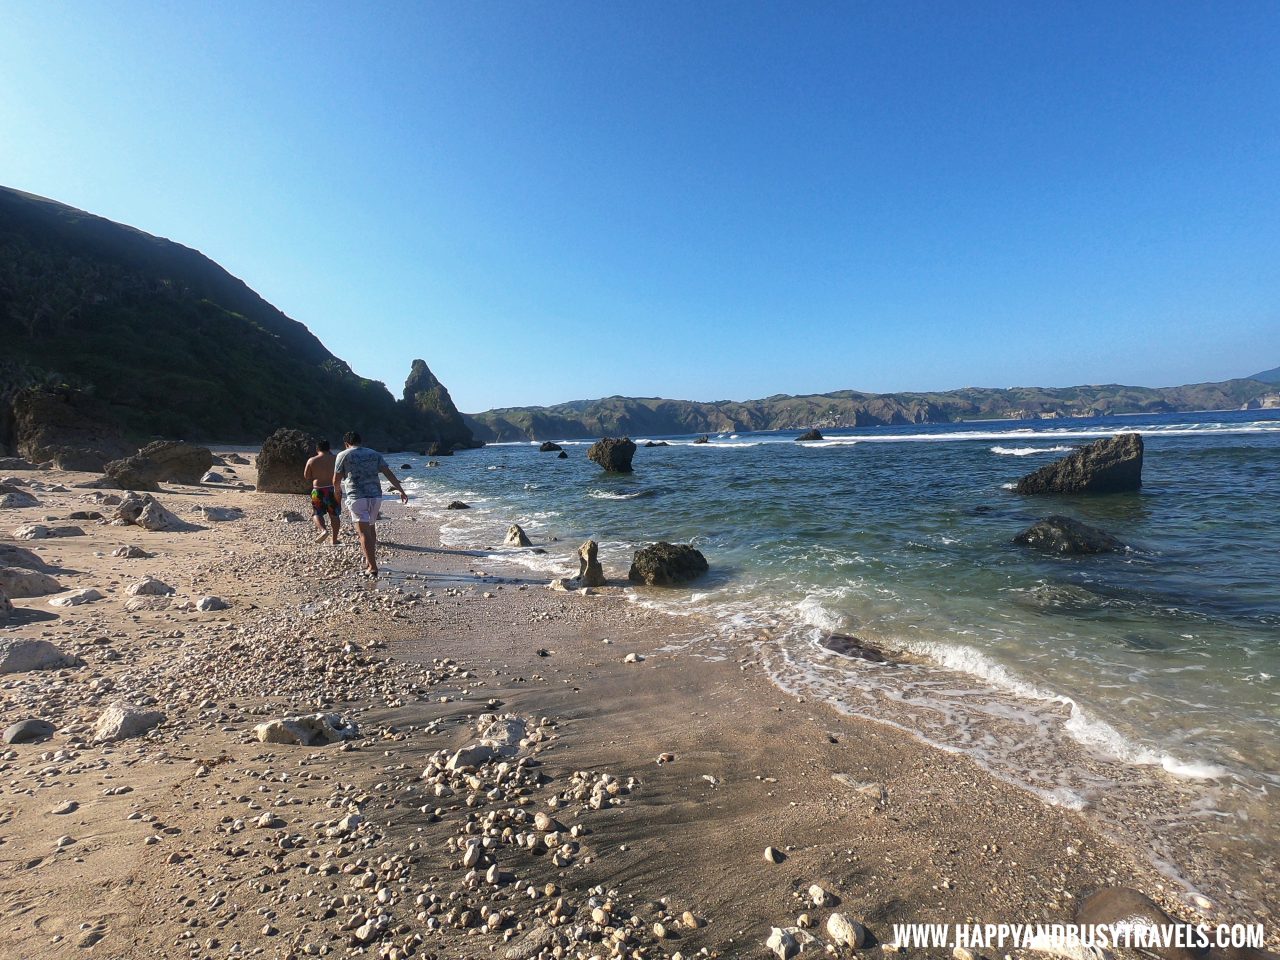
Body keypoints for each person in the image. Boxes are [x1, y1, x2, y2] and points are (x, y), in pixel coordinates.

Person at [332, 431, 408, 577]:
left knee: (363, 533)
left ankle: (372, 567)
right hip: (376, 497)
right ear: (360, 441)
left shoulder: (343, 455)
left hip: (357, 497)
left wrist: (337, 494)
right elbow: (388, 473)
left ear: (346, 443)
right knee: (371, 527)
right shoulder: (374, 454)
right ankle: (369, 561)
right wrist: (401, 490)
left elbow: (336, 480)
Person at [303, 439, 341, 544]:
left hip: (318, 490)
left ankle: (323, 530)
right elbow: (343, 473)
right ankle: (334, 539)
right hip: (332, 489)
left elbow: (306, 476)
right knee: (334, 514)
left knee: (317, 513)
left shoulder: (312, 460)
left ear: (317, 449)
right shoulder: (336, 458)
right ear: (329, 448)